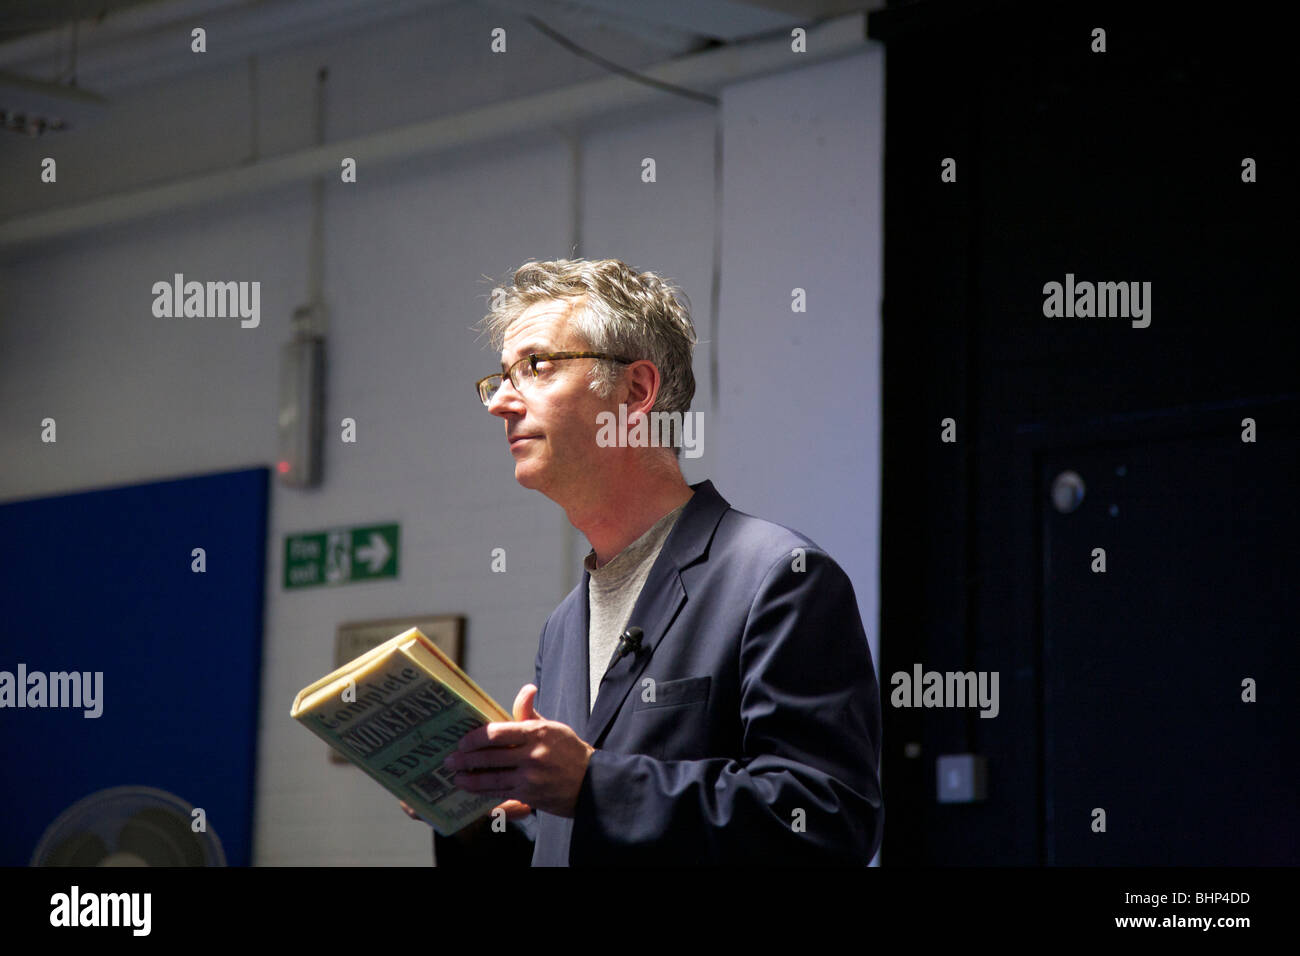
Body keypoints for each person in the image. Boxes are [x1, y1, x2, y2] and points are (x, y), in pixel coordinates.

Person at [406, 257, 883, 865]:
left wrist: (593, 784)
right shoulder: (562, 627)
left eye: (534, 367)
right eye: (498, 378)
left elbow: (826, 820)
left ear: (635, 392)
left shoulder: (778, 577)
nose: (501, 402)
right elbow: (570, 841)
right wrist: (477, 816)